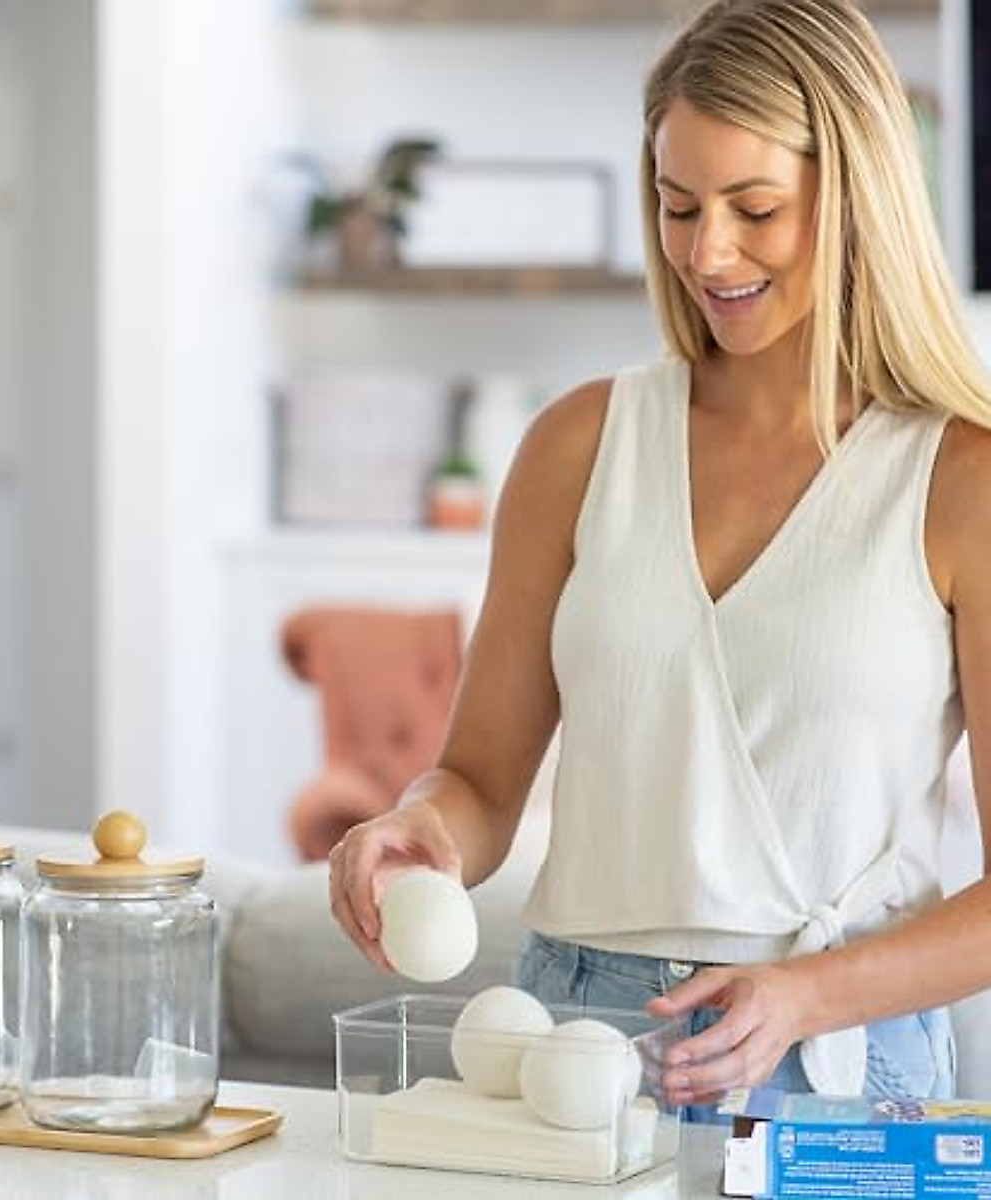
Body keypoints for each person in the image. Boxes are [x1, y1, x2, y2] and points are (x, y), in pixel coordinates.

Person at [327, 0, 991, 1120]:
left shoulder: (959, 478)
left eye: (754, 208)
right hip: (572, 1040)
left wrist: (805, 996)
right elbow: (480, 783)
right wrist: (422, 828)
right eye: (678, 206)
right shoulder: (580, 445)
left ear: (857, 196)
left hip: (834, 1062)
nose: (706, 253)